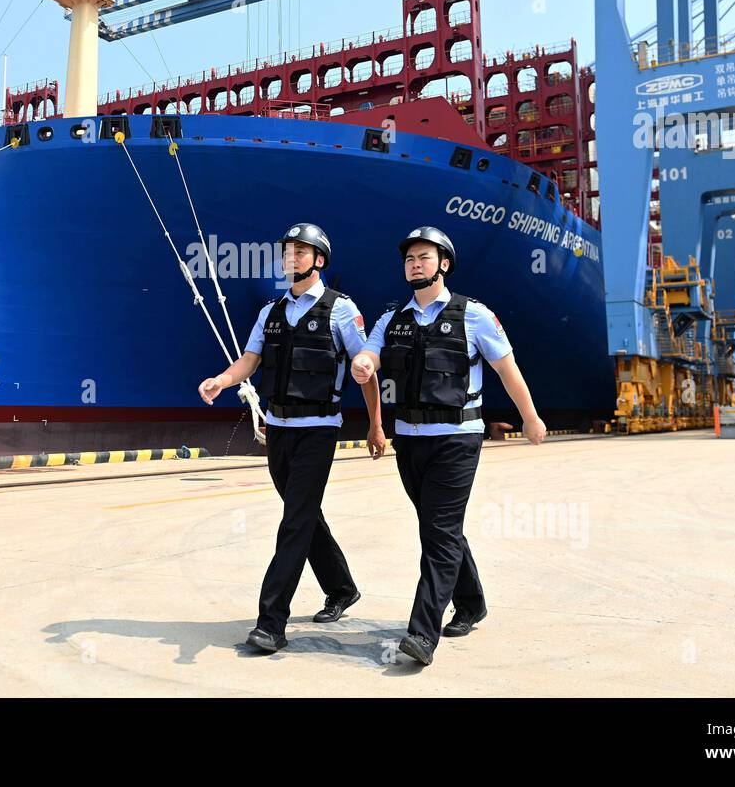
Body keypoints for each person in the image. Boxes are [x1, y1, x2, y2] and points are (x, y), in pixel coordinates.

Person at [351, 225, 546, 666]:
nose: (415, 264)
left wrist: (530, 417)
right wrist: (364, 363)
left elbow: (507, 369)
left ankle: (422, 634)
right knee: (439, 528)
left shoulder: (473, 315)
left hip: (458, 440)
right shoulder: (391, 319)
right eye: (409, 259)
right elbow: (371, 353)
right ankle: (472, 601)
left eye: (424, 257)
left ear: (444, 264)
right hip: (410, 441)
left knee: (437, 533)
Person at [199, 223, 384, 653]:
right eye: (288, 251)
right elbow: (250, 359)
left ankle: (271, 621)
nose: (292, 258)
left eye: (302, 251)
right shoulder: (271, 312)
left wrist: (375, 424)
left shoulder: (341, 310)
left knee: (295, 521)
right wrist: (222, 381)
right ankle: (341, 587)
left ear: (320, 260)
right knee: (303, 513)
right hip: (278, 429)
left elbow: (365, 369)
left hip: (319, 429)